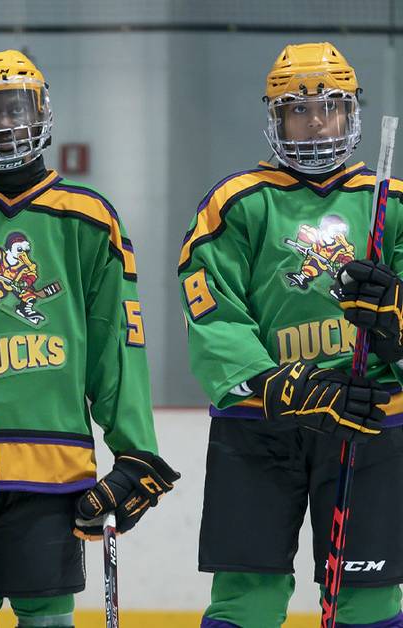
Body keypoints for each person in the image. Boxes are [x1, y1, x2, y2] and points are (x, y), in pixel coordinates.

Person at [0, 49, 179, 628]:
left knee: (46, 616)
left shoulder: (88, 217)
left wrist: (135, 450)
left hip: (53, 466)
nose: (2, 124)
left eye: (13, 109)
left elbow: (118, 344)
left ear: (41, 112)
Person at [179, 41, 403, 628]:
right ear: (275, 117)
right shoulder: (235, 203)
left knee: (369, 599)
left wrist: (392, 317)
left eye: (329, 107)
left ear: (351, 112)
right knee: (246, 599)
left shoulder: (392, 203)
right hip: (260, 424)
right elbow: (213, 313)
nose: (315, 121)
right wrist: (285, 387)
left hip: (367, 418)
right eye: (297, 109)